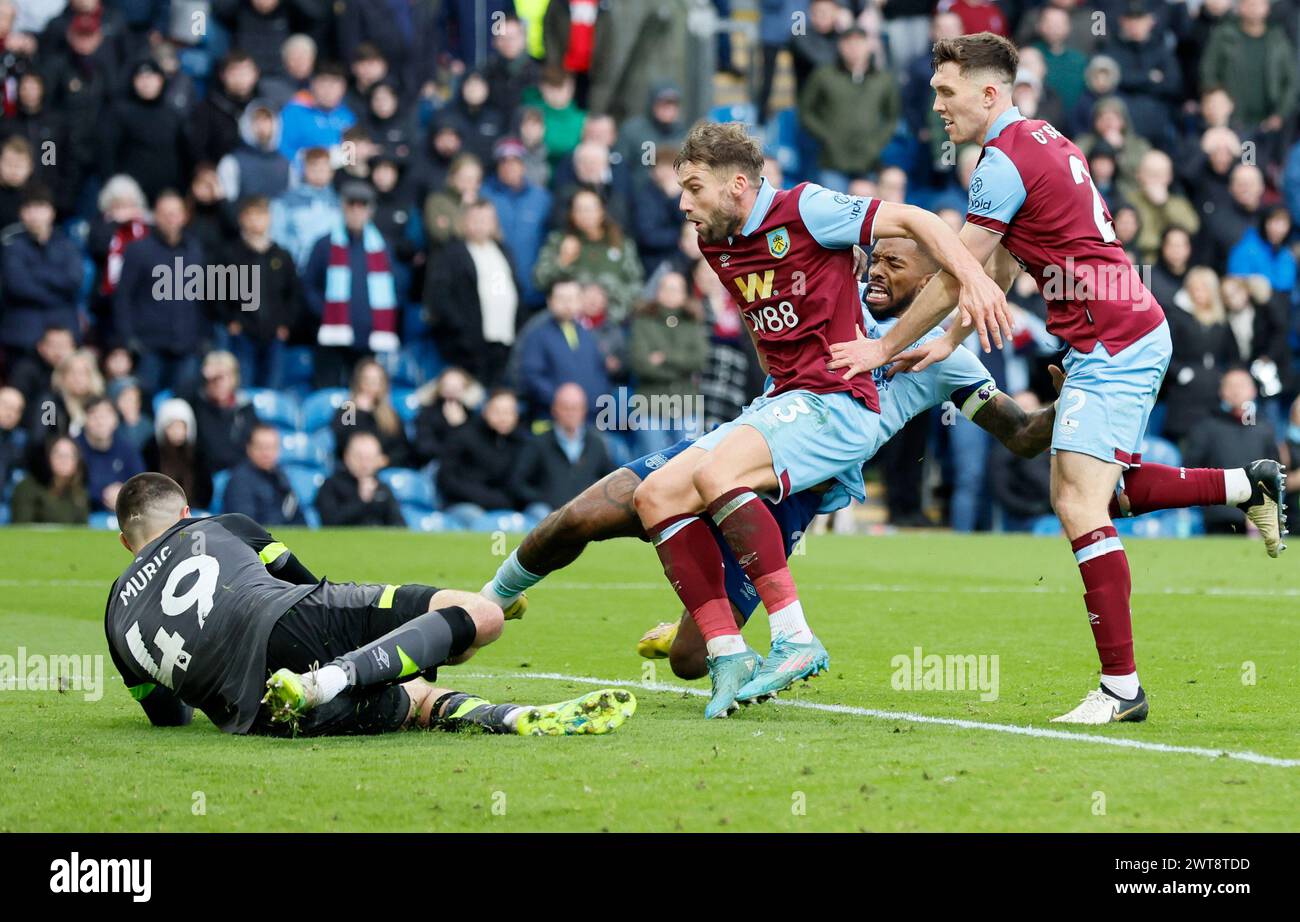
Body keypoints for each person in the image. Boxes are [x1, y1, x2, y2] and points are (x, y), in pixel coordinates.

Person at [831, 32, 1287, 725]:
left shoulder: (1001, 161)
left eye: (946, 93)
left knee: (1077, 503)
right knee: (1101, 492)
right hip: (1114, 332)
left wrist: (886, 345)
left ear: (989, 93)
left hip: (1115, 338)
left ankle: (1121, 688)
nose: (937, 107)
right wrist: (945, 340)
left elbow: (964, 268)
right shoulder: (1042, 140)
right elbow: (1002, 266)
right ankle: (1245, 483)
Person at [630, 120, 1007, 718]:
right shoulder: (817, 281)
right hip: (782, 412)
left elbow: (922, 223)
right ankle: (728, 652)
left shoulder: (944, 349)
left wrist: (976, 278)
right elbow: (773, 319)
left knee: (717, 475)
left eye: (893, 263)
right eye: (874, 260)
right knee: (654, 497)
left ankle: (794, 638)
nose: (877, 271)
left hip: (834, 420)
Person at [104, 471, 634, 737]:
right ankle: (339, 674)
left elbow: (167, 717)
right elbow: (302, 582)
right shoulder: (222, 525)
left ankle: (512, 717)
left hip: (258, 714)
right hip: (289, 619)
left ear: (127, 542)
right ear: (187, 511)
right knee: (481, 618)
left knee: (412, 699)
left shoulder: (115, 616)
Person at [515, 383, 614, 518]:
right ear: (554, 409)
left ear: (583, 410)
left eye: (575, 408)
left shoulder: (596, 443)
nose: (570, 413)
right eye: (565, 408)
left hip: (586, 515)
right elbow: (518, 483)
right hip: (548, 515)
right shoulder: (538, 443)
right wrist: (543, 499)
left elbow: (612, 479)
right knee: (540, 513)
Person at [437, 389, 530, 522]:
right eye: (497, 411)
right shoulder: (464, 436)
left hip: (507, 507)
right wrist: (488, 499)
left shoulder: (523, 443)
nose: (503, 417)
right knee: (477, 518)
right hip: (465, 504)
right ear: (485, 411)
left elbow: (520, 484)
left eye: (509, 412)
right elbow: (446, 479)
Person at [330, 357, 412, 469]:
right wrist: (359, 410)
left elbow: (402, 449)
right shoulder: (348, 408)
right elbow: (341, 440)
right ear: (359, 381)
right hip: (351, 470)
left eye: (376, 380)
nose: (371, 384)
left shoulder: (391, 415)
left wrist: (384, 460)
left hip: (382, 471)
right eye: (367, 379)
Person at [222, 422, 306, 526]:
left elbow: (297, 515)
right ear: (249, 448)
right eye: (260, 447)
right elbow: (244, 526)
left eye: (271, 447)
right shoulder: (239, 481)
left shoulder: (280, 476)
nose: (266, 453)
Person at [317, 430, 404, 527]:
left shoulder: (382, 488)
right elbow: (330, 522)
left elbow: (399, 525)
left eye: (370, 458)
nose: (364, 463)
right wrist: (361, 501)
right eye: (359, 457)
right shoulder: (331, 485)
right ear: (347, 456)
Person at [75, 395, 145, 513]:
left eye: (106, 416)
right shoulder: (74, 448)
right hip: (83, 512)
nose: (100, 421)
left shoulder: (127, 448)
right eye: (94, 416)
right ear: (85, 420)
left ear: (115, 420)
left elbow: (141, 483)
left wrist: (123, 494)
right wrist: (105, 496)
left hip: (123, 512)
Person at [10, 435, 89, 524]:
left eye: (69, 455)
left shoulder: (79, 492)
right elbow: (21, 527)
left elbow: (83, 529)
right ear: (47, 458)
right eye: (58, 455)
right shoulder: (27, 488)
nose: (64, 460)